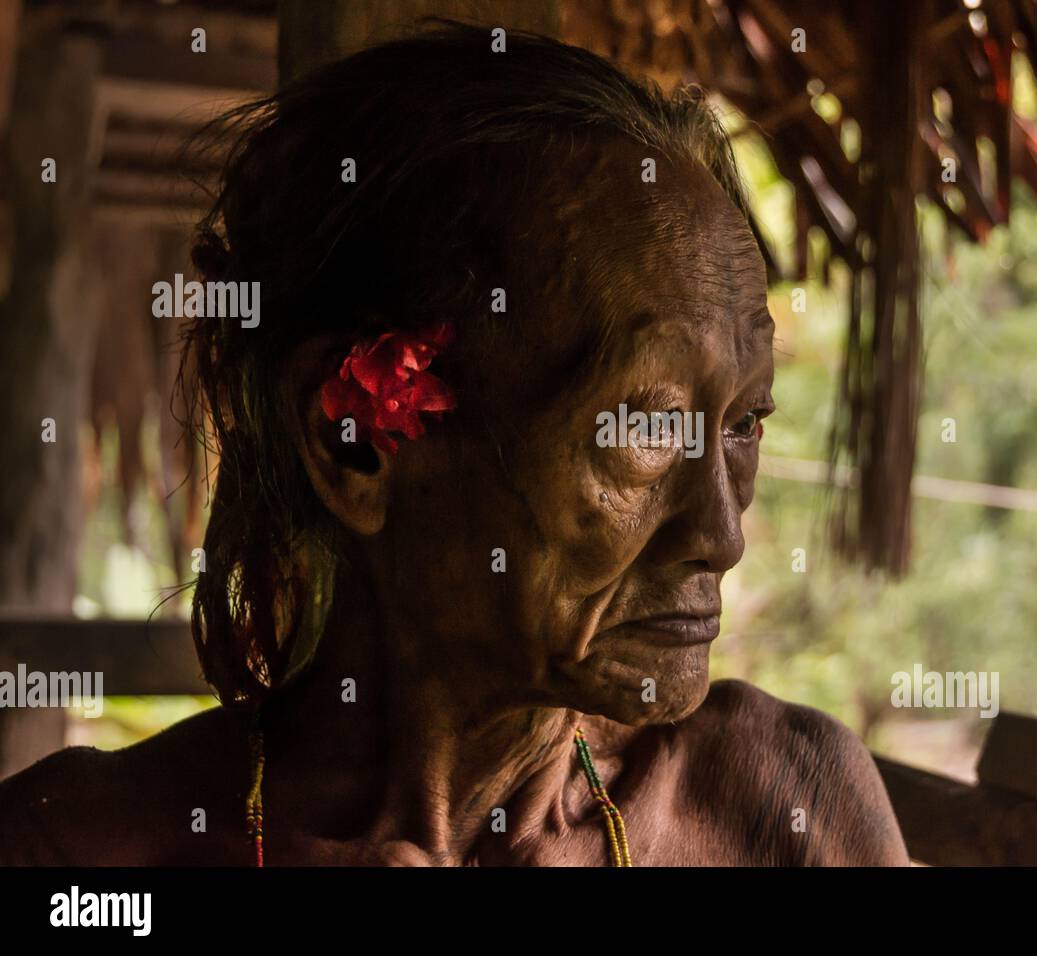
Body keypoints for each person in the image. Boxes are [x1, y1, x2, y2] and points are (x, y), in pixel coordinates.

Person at [0, 20, 907, 866]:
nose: (721, 533)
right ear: (352, 441)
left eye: (744, 423)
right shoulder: (75, 851)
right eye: (643, 426)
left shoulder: (782, 806)